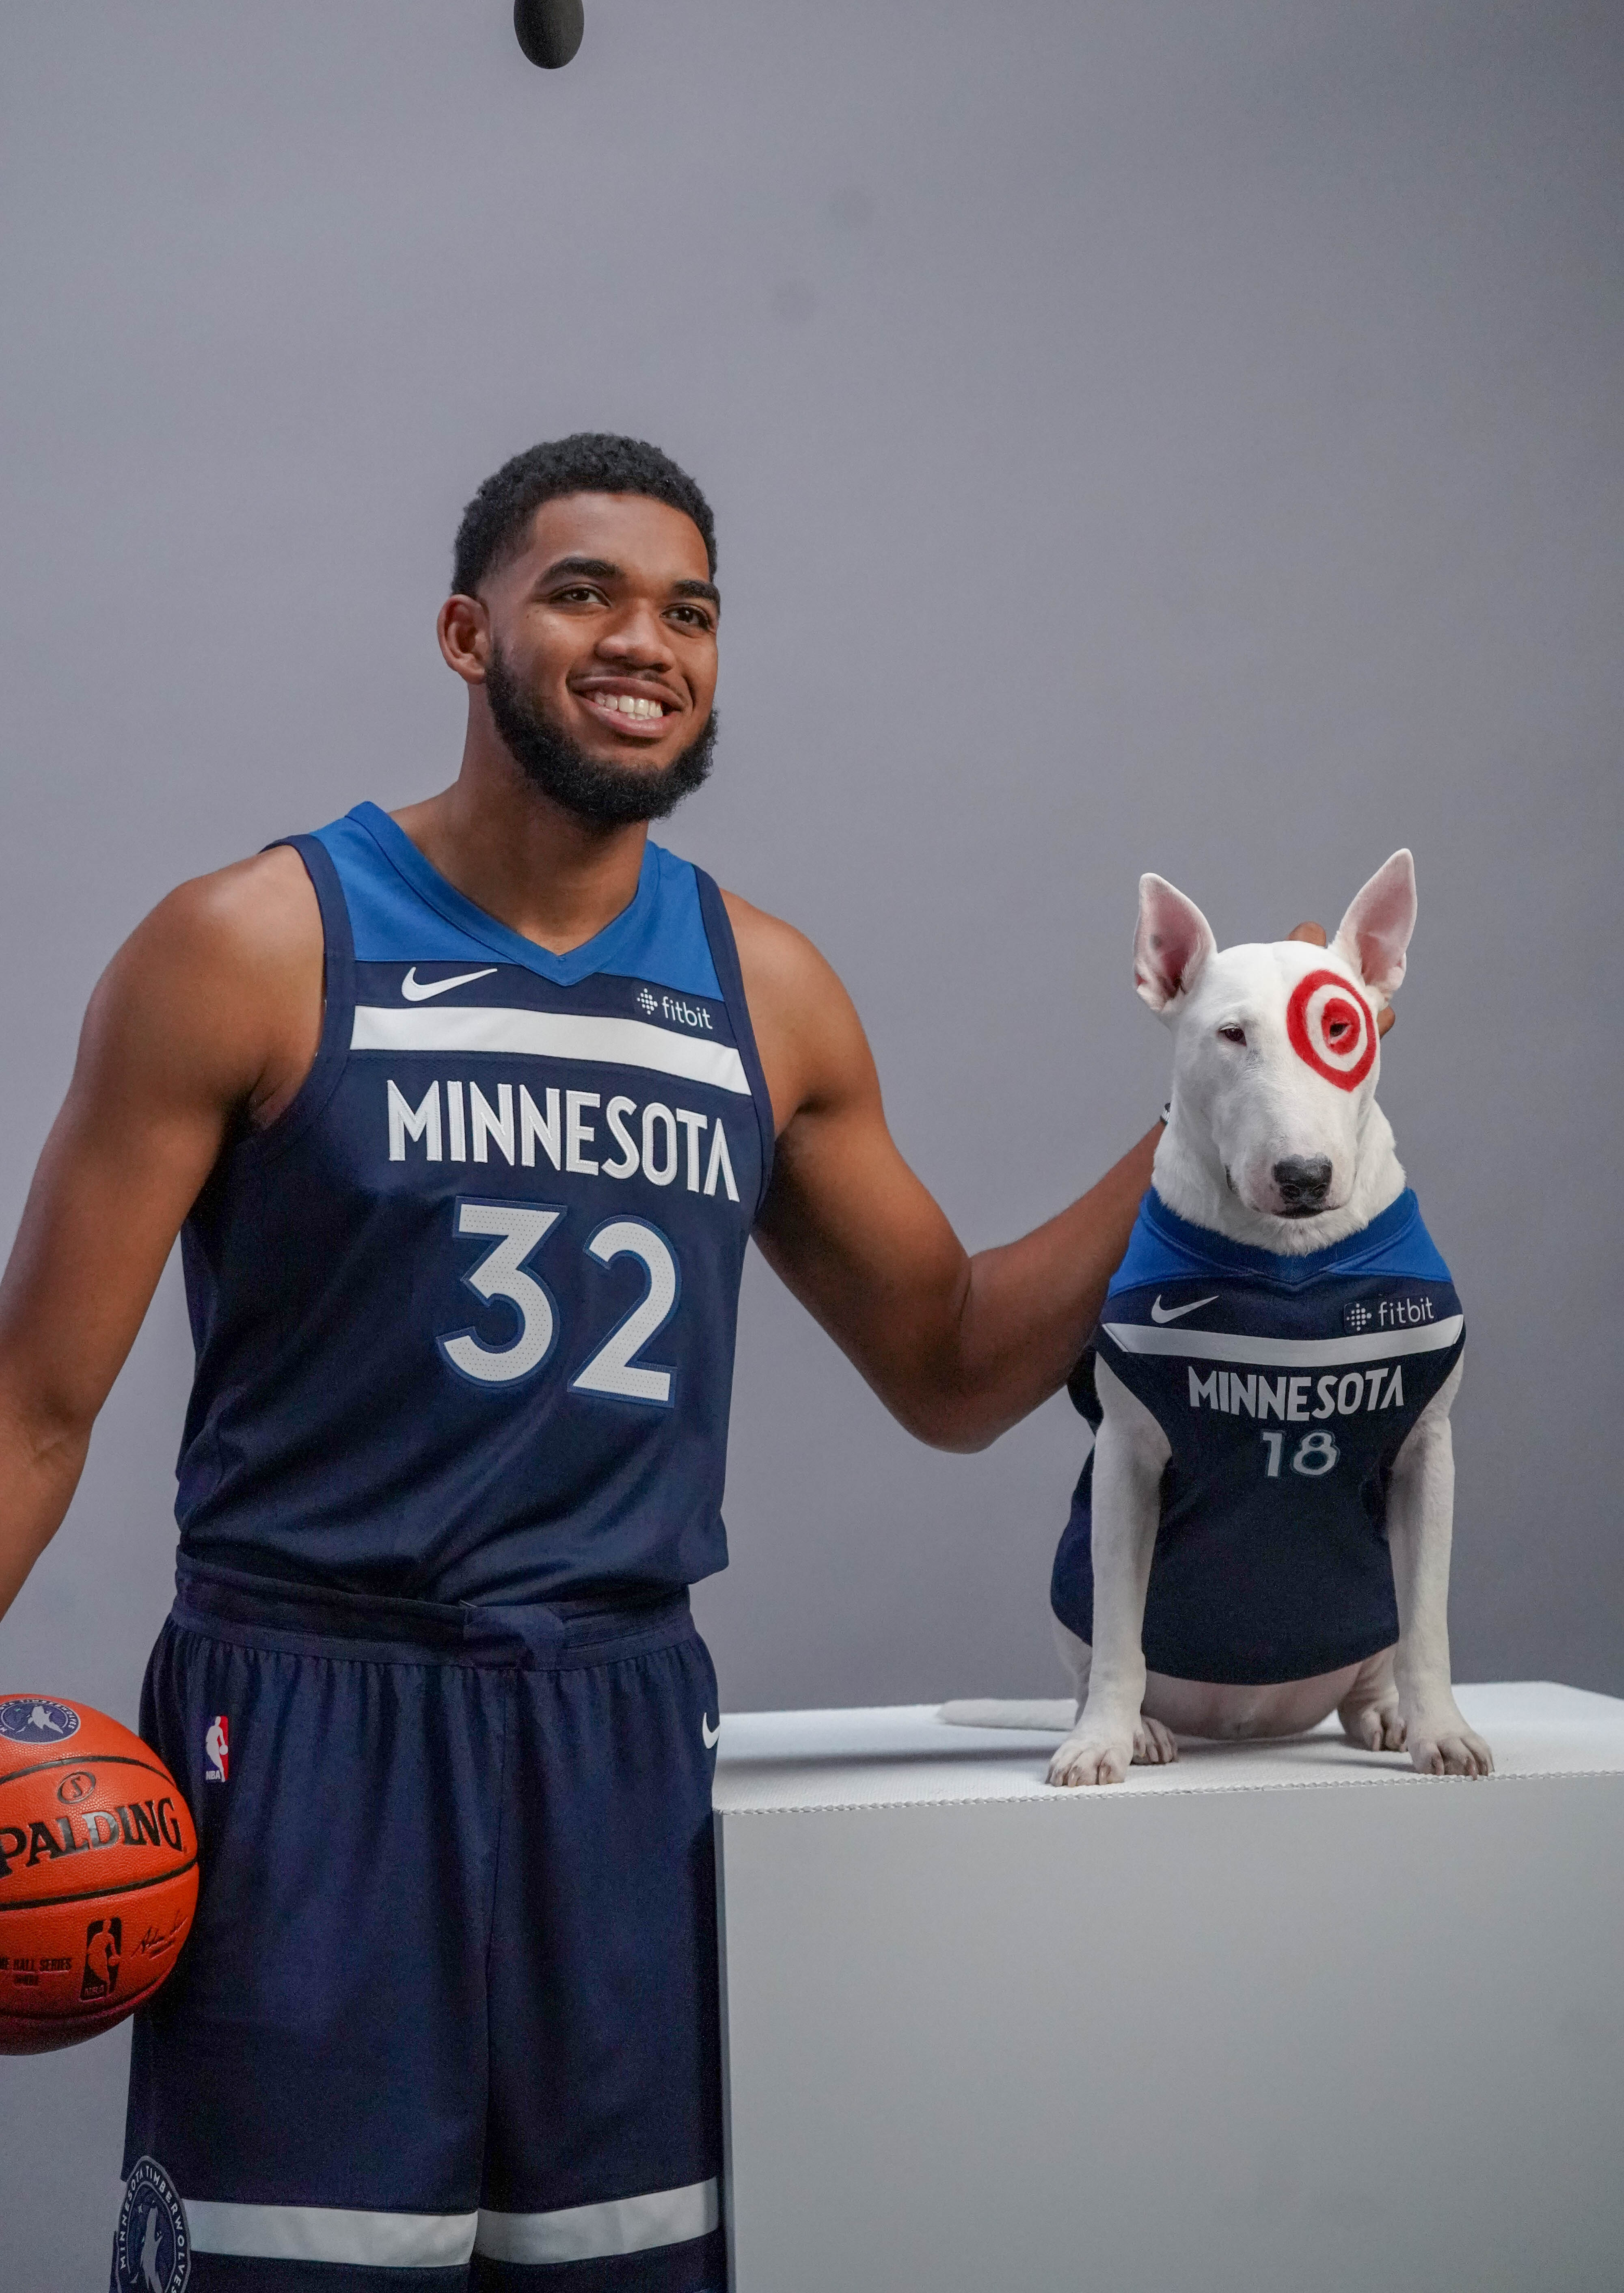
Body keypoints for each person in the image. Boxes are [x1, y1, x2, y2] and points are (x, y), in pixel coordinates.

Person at [0, 432, 1284, 2291]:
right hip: (307, 1724)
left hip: (616, 1730)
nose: (645, 642)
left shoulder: (761, 987)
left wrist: (1210, 1117)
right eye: (583, 591)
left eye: (688, 609)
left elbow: (947, 1362)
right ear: (465, 632)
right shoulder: (253, 946)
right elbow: (35, 1410)